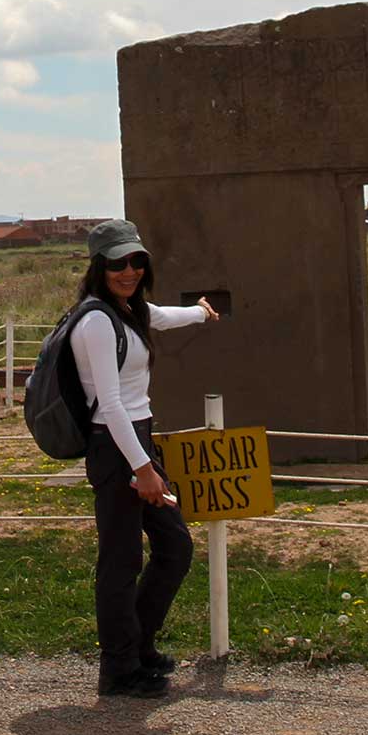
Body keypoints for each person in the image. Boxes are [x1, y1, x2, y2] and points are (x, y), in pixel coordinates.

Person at [69, 218, 218, 698]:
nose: (129, 270)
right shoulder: (95, 321)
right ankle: (119, 669)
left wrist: (199, 312)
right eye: (117, 262)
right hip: (115, 446)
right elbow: (109, 404)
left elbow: (161, 316)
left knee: (175, 549)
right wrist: (143, 469)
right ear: (99, 266)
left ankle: (137, 646)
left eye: (136, 260)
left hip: (137, 438)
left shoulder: (127, 311)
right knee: (122, 559)